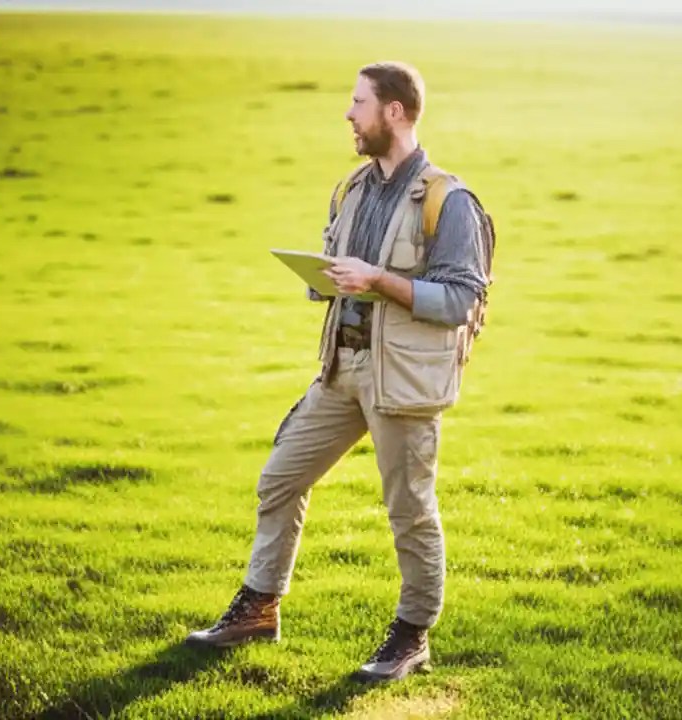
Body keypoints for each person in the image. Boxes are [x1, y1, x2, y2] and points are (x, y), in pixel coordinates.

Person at [186, 61, 494, 682]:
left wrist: (379, 281)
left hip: (402, 380)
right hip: (343, 367)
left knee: (409, 508)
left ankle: (412, 636)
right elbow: (339, 260)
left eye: (358, 103)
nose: (348, 115)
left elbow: (462, 299)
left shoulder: (449, 201)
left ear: (395, 113)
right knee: (279, 477)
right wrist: (323, 281)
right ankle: (259, 607)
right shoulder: (352, 189)